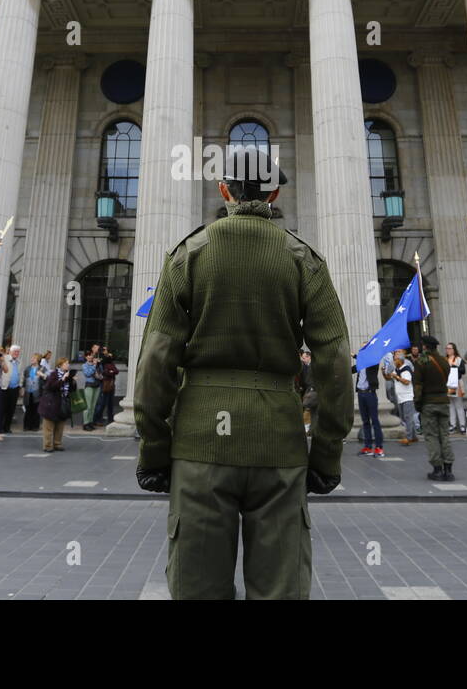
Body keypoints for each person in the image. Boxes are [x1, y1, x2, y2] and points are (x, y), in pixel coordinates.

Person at [132, 144, 352, 600]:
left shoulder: (187, 255)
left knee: (198, 589)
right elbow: (333, 360)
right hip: (279, 443)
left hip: (199, 445)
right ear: (273, 194)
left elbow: (155, 362)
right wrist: (326, 455)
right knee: (280, 588)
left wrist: (155, 451)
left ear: (222, 189)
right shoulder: (303, 259)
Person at [416, 335, 456, 481]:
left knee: (431, 436)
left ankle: (437, 468)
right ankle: (448, 468)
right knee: (444, 435)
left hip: (429, 402)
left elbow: (418, 386)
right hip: (443, 402)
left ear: (425, 346)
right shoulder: (444, 361)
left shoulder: (422, 362)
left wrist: (418, 403)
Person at [354, 350, 384, 457]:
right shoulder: (361, 363)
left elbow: (371, 360)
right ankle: (368, 447)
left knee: (375, 420)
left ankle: (379, 447)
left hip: (370, 394)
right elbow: (352, 370)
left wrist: (356, 356)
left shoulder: (373, 362)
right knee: (365, 421)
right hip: (361, 394)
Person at [39, 356, 72, 452]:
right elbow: (51, 387)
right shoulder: (54, 374)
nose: (68, 365)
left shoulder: (67, 375)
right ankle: (48, 445)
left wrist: (72, 381)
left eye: (68, 363)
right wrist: (62, 379)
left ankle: (57, 443)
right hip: (51, 403)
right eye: (66, 363)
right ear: (60, 365)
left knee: (60, 425)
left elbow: (71, 389)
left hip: (62, 403)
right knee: (49, 425)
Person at [388, 350, 417, 445]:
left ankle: (408, 437)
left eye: (396, 360)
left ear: (400, 360)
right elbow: (389, 377)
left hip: (407, 397)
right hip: (400, 397)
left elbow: (407, 381)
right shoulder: (396, 370)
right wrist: (384, 373)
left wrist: (396, 377)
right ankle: (413, 436)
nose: (394, 361)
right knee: (406, 417)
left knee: (408, 417)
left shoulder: (406, 369)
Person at [93, 348, 119, 426]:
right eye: (105, 350)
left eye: (107, 350)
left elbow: (116, 371)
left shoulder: (109, 362)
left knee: (110, 402)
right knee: (102, 402)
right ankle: (96, 419)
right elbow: (102, 373)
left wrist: (111, 372)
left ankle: (110, 418)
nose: (107, 352)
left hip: (111, 383)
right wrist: (110, 372)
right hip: (104, 383)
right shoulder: (101, 362)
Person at [444, 342, 466, 433]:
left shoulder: (458, 359)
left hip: (457, 384)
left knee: (459, 405)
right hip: (448, 385)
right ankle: (452, 425)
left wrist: (454, 368)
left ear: (454, 349)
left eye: (449, 348)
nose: (448, 350)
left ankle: (462, 425)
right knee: (451, 405)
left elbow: (463, 371)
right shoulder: (445, 359)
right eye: (447, 348)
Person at [1, 344, 23, 434]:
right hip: (5, 388)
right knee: (3, 409)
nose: (16, 353)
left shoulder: (19, 361)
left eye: (18, 352)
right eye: (15, 351)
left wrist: (20, 386)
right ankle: (0, 427)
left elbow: (20, 375)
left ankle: (7, 427)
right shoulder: (5, 358)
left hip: (15, 388)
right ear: (10, 352)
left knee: (11, 409)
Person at [81, 351, 101, 430]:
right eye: (88, 355)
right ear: (86, 357)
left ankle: (90, 422)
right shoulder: (84, 365)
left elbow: (100, 373)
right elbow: (87, 373)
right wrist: (94, 365)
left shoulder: (96, 364)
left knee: (93, 406)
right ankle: (85, 423)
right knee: (88, 406)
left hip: (97, 385)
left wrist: (100, 375)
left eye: (91, 355)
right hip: (89, 386)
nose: (90, 357)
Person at [23, 352, 43, 431]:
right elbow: (24, 379)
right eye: (32, 358)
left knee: (36, 410)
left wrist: (41, 375)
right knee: (28, 409)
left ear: (38, 360)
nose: (32, 359)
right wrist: (22, 388)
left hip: (37, 392)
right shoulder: (27, 368)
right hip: (28, 392)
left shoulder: (42, 368)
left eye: (34, 358)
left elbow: (45, 379)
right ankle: (27, 426)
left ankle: (35, 426)